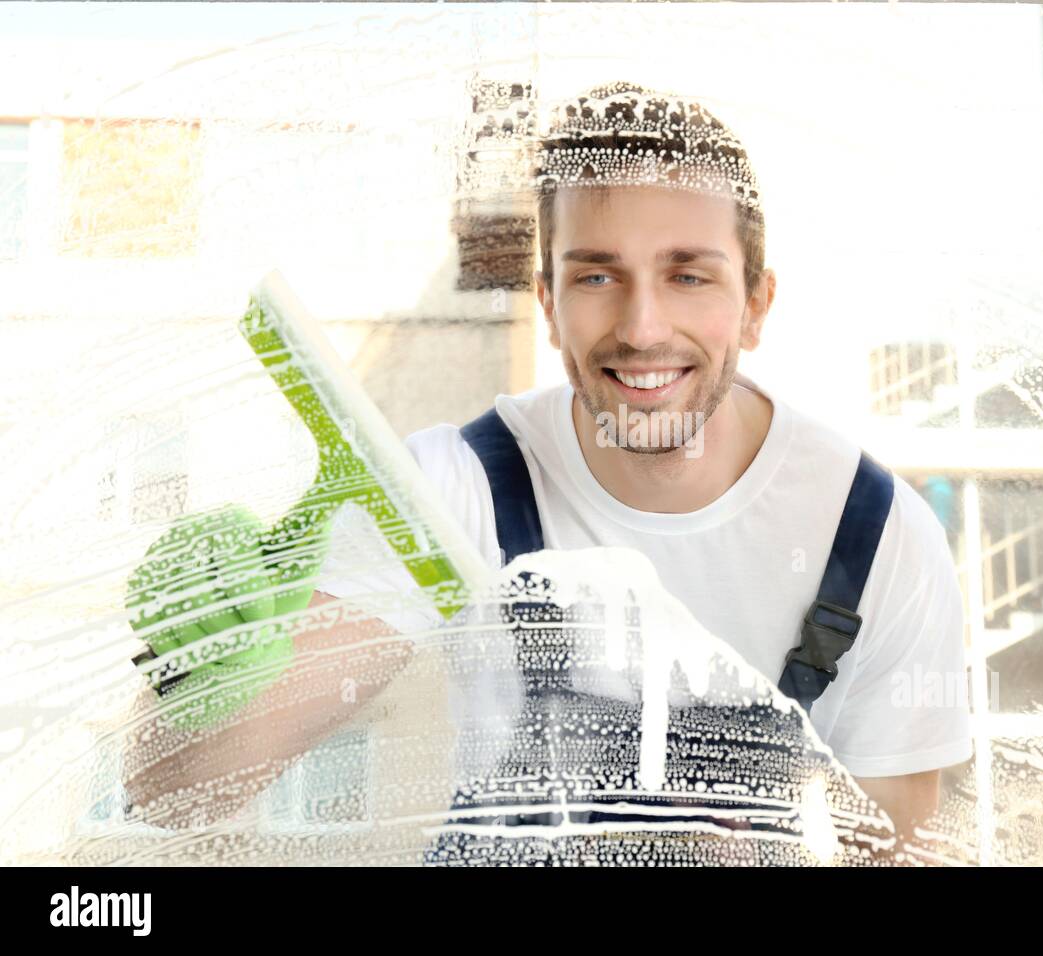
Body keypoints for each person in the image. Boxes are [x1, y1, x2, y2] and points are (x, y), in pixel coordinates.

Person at [326, 81, 974, 839]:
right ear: (549, 307)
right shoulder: (449, 487)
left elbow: (891, 854)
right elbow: (180, 766)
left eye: (688, 275)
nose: (641, 328)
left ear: (756, 305)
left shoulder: (877, 538)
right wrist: (210, 648)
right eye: (597, 276)